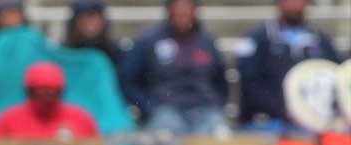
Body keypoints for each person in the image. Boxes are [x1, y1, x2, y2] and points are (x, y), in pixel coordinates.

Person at [120, 0, 229, 136]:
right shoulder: (148, 41)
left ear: (195, 10)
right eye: (178, 8)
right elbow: (128, 80)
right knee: (167, 138)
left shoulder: (207, 42)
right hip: (165, 111)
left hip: (205, 110)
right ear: (169, 10)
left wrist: (216, 104)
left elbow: (221, 81)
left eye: (187, 8)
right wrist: (149, 107)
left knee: (221, 135)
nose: (182, 13)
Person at [236, 0, 341, 132]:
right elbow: (250, 84)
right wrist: (284, 109)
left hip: (313, 124)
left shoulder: (322, 41)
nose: (294, 4)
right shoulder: (258, 40)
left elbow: (337, 76)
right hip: (268, 123)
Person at [0, 61, 100, 140]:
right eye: (40, 93)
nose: (46, 99)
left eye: (52, 93)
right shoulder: (7, 120)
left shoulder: (81, 119)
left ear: (61, 92)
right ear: (29, 92)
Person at [63, 0, 124, 70]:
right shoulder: (66, 51)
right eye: (84, 18)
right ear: (75, 22)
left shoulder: (115, 52)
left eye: (93, 17)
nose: (90, 24)